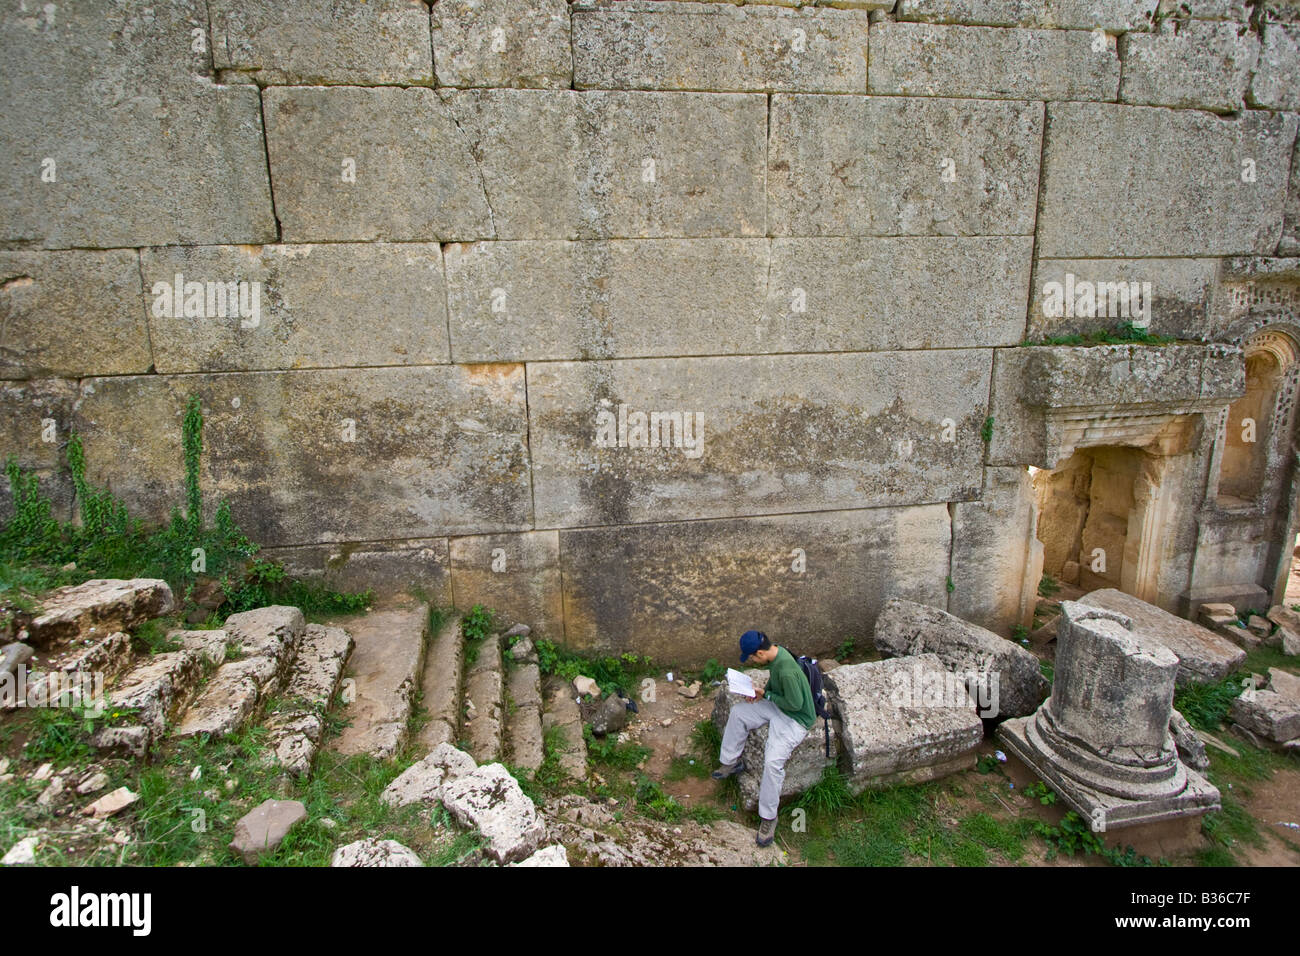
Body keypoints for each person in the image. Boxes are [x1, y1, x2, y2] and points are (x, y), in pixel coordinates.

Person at [712, 629, 815, 847]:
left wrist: (767, 696)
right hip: (779, 705)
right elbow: (777, 685)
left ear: (759, 653)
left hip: (794, 718)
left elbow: (795, 704)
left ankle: (769, 818)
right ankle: (730, 762)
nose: (750, 660)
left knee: (772, 763)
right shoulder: (776, 654)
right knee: (739, 713)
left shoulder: (786, 669)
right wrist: (763, 693)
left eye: (750, 656)